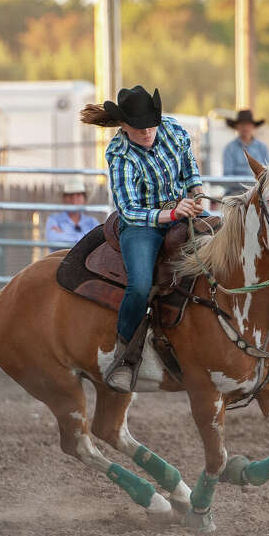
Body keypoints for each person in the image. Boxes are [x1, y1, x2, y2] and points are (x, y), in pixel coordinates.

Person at [80, 85, 205, 392]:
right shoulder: (119, 153)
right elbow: (129, 210)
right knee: (139, 286)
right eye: (139, 128)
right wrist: (172, 214)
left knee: (217, 255)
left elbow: (189, 166)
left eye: (151, 125)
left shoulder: (172, 128)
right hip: (142, 223)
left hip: (182, 209)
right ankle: (124, 353)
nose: (148, 132)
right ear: (124, 126)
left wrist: (198, 191)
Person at [222, 109, 269, 192]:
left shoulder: (262, 147)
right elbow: (228, 175)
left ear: (253, 126)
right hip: (236, 193)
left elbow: (268, 172)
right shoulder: (230, 148)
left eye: (248, 124)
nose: (245, 127)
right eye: (242, 124)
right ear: (237, 127)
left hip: (258, 191)